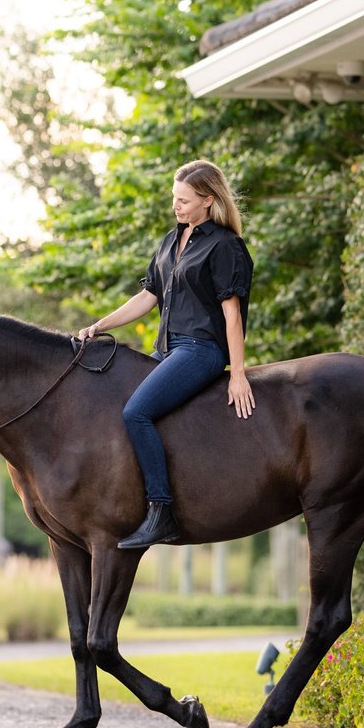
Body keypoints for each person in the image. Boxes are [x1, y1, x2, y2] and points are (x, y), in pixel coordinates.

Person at [77, 159, 255, 549]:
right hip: (167, 350)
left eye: (184, 200)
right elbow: (148, 296)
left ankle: (161, 512)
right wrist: (101, 325)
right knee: (115, 404)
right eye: (174, 198)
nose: (176, 206)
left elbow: (232, 316)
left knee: (135, 412)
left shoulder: (225, 246)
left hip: (201, 350)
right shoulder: (170, 241)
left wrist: (238, 373)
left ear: (208, 200)